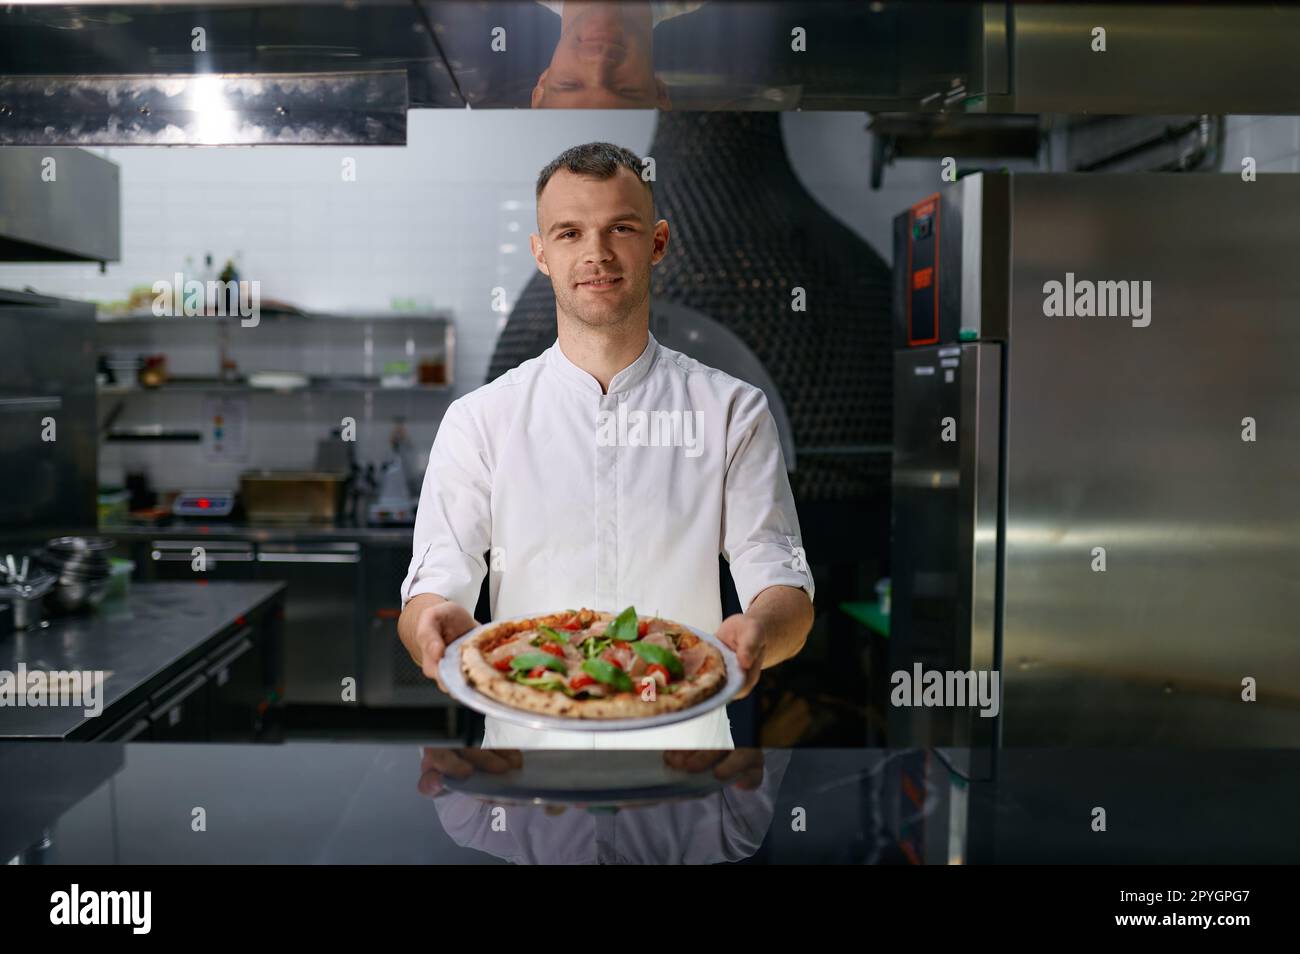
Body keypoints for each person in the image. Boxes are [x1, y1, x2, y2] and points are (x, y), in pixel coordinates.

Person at [398, 141, 814, 748]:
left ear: (658, 242)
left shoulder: (731, 410)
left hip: (685, 771)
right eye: (569, 233)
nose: (595, 254)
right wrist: (430, 628)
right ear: (541, 253)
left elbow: (784, 586)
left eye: (620, 228)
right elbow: (430, 592)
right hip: (529, 775)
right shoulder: (478, 420)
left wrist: (757, 632)